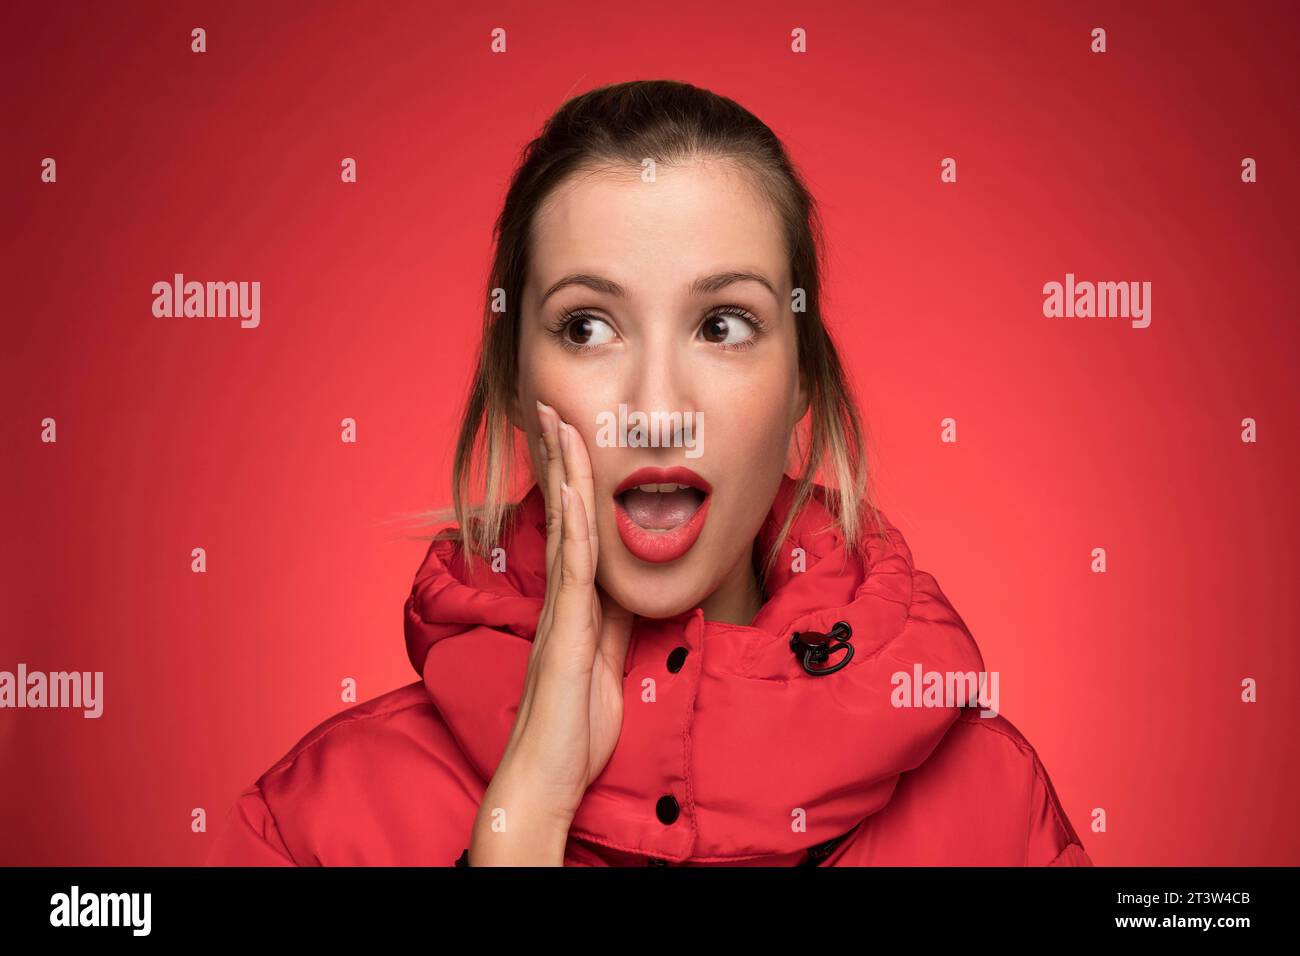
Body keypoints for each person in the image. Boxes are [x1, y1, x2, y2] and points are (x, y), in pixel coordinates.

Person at [206, 79, 1092, 867]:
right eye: (587, 327)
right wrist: (524, 820)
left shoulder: (993, 810)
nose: (657, 406)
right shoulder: (319, 826)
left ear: (801, 385)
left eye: (723, 325)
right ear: (514, 382)